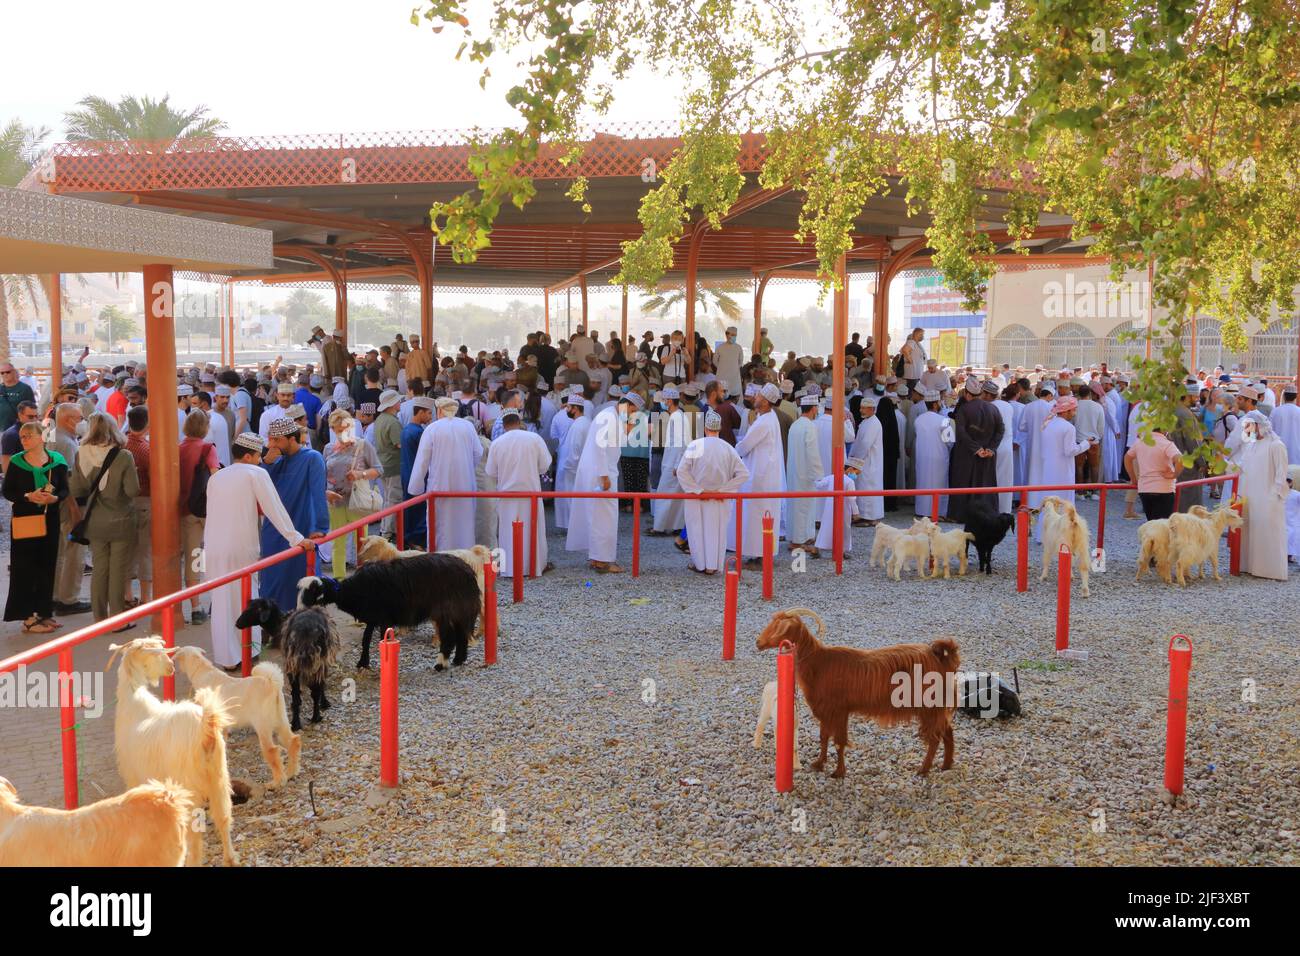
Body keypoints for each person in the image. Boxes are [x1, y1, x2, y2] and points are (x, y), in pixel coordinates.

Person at [203, 433, 314, 671]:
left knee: (221, 600)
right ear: (248, 455)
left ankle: (227, 658)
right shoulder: (256, 473)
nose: (259, 461)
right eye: (257, 457)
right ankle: (247, 652)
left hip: (212, 546)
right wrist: (296, 538)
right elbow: (275, 509)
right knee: (246, 597)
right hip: (241, 546)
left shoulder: (217, 477)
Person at [68, 413, 139, 629]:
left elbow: (77, 489)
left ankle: (99, 618)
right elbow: (132, 490)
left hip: (94, 520)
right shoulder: (124, 456)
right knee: (118, 570)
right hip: (121, 519)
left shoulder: (82, 453)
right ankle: (117, 619)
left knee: (100, 568)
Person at [3, 421, 69, 633]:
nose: (24, 440)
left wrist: (55, 498)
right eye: (22, 437)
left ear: (42, 437)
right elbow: (7, 491)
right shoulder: (16, 461)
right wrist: (27, 496)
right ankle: (28, 618)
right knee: (25, 568)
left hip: (49, 519)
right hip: (25, 521)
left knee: (47, 566)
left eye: (29, 436)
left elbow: (65, 490)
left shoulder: (57, 461)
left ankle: (43, 612)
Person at [260, 415, 330, 614]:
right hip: (273, 530)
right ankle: (270, 622)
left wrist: (321, 527)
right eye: (270, 439)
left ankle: (304, 622)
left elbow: (318, 494)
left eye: (276, 440)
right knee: (272, 576)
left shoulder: (312, 458)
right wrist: (266, 463)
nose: (271, 444)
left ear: (292, 438)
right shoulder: (274, 461)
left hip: (302, 525)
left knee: (302, 577)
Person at [568, 393, 639, 573]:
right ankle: (603, 561)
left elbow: (621, 439)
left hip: (600, 470)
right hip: (600, 473)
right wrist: (604, 476)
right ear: (626, 405)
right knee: (605, 517)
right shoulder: (608, 417)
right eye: (633, 410)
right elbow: (600, 447)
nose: (633, 415)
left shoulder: (613, 416)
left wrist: (629, 423)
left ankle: (597, 557)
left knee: (598, 516)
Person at [676, 408, 748, 574]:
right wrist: (724, 490)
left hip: (697, 498)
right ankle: (713, 566)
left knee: (696, 530)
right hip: (720, 499)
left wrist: (697, 490)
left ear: (705, 428)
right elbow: (744, 474)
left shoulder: (696, 445)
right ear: (720, 428)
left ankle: (699, 564)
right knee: (718, 531)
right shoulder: (728, 448)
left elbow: (681, 471)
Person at [408, 396, 481, 551]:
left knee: (441, 525)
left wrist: (415, 488)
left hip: (439, 486)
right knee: (464, 525)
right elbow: (478, 453)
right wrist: (467, 468)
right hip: (465, 485)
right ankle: (466, 559)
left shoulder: (432, 429)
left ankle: (440, 560)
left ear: (439, 410)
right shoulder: (468, 426)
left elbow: (422, 460)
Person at [485, 410, 553, 575]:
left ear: (503, 424)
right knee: (533, 532)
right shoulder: (534, 439)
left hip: (506, 497)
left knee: (508, 534)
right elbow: (545, 466)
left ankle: (509, 569)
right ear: (519, 421)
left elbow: (491, 472)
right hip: (530, 494)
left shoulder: (497, 442)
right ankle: (534, 566)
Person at [729, 383, 785, 566]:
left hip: (760, 477)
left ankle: (760, 554)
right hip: (764, 475)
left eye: (759, 395)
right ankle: (760, 553)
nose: (755, 398)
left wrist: (731, 451)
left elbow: (744, 446)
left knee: (757, 516)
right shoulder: (769, 418)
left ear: (766, 401)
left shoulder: (764, 422)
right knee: (760, 516)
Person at [1229, 410, 1289, 581]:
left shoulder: (1276, 445)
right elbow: (1240, 468)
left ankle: (1270, 570)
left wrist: (1274, 496)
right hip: (1250, 495)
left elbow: (1281, 474)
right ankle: (1248, 566)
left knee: (1267, 532)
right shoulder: (1252, 445)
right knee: (1249, 530)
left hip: (1268, 497)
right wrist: (1223, 463)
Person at [323, 409, 383, 578]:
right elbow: (322, 475)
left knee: (361, 542)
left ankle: (362, 578)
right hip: (336, 500)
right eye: (338, 429)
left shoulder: (363, 445)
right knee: (337, 543)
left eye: (345, 428)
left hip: (357, 500)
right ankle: (338, 580)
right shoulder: (328, 449)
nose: (342, 432)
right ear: (333, 429)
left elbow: (378, 470)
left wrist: (360, 474)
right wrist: (326, 491)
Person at [49, 402, 90, 616]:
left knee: (61, 551)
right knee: (73, 551)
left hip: (57, 502)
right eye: (80, 417)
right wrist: (74, 509)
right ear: (68, 419)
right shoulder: (67, 443)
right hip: (68, 504)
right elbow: (67, 479)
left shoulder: (55, 435)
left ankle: (57, 595)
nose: (82, 421)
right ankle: (68, 599)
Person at [1034, 396, 1092, 542]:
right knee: (1063, 502)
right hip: (1062, 471)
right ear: (1067, 410)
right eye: (1074, 409)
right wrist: (1086, 444)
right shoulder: (1068, 427)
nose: (1075, 412)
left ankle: (1042, 536)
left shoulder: (1048, 424)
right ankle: (1061, 536)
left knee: (1047, 502)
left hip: (1048, 469)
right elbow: (1070, 451)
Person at [947, 378, 1004, 522]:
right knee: (985, 483)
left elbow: (961, 433)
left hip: (966, 454)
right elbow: (1000, 430)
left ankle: (961, 516)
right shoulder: (993, 409)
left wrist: (976, 449)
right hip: (988, 455)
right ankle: (986, 514)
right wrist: (991, 448)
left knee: (964, 483)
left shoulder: (964, 409)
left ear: (967, 393)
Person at [784, 391, 824, 549]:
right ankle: (798, 541)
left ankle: (803, 536)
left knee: (798, 506)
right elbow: (812, 453)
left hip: (795, 472)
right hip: (806, 473)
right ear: (813, 408)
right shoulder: (809, 426)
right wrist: (819, 475)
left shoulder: (796, 424)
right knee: (803, 507)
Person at [1122, 422, 1183, 523]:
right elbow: (1180, 460)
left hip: (1144, 489)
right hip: (1164, 489)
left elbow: (1127, 458)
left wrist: (1133, 479)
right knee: (1163, 526)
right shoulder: (1167, 444)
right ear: (1164, 429)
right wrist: (1174, 475)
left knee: (1152, 523)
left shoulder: (1140, 442)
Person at [650, 388, 690, 535]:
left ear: (670, 401)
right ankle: (675, 527)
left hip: (673, 463)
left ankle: (659, 527)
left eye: (666, 400)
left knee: (664, 494)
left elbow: (681, 443)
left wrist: (676, 464)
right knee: (675, 496)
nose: (664, 403)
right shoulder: (677, 416)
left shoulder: (677, 417)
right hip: (672, 461)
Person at [123, 405, 152, 608]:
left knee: (127, 550)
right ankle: (145, 597)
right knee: (145, 551)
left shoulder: (122, 444)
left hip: (125, 503)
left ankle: (127, 595)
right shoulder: (146, 449)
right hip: (144, 501)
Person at [399, 395, 434, 549]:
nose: (430, 417)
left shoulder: (407, 429)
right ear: (420, 412)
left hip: (406, 473)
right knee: (418, 510)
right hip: (417, 475)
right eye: (428, 413)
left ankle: (408, 538)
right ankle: (417, 541)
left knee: (409, 509)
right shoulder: (419, 433)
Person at [813, 456, 864, 557]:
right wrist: (856, 512)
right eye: (856, 473)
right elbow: (852, 498)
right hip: (843, 510)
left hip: (829, 509)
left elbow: (819, 485)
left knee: (825, 527)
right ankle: (842, 551)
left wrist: (814, 477)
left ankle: (816, 549)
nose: (856, 476)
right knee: (844, 529)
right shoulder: (850, 482)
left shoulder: (832, 477)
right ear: (850, 469)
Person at [912, 390, 952, 518]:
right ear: (935, 404)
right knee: (939, 484)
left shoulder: (918, 420)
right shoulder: (944, 420)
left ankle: (922, 510)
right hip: (939, 458)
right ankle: (938, 511)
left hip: (922, 457)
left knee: (923, 483)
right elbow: (950, 441)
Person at [554, 395, 591, 531]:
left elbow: (575, 450)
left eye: (569, 407)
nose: (566, 410)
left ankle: (572, 528)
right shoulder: (585, 422)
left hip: (572, 469)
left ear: (575, 408)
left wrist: (568, 467)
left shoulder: (578, 426)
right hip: (577, 468)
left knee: (570, 499)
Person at [849, 393, 885, 524]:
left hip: (869, 462)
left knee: (868, 488)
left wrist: (854, 459)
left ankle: (870, 517)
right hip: (863, 462)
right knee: (863, 487)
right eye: (861, 408)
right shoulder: (866, 422)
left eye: (864, 408)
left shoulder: (874, 423)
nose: (861, 410)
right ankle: (863, 515)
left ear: (872, 409)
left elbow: (865, 444)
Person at [1, 400, 38, 473]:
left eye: (36, 416)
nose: (34, 420)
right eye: (30, 417)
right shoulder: (11, 435)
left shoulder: (36, 431)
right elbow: (6, 463)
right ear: (20, 415)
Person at [0, 361, 37, 433]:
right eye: (2, 373)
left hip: (19, 430)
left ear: (13, 372)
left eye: (7, 372)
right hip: (1, 430)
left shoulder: (25, 389)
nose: (5, 374)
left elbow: (33, 409)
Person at [1271, 386, 1300, 464]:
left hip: (1279, 452)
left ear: (1284, 396)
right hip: (1296, 453)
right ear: (1296, 396)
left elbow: (1270, 432)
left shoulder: (1275, 411)